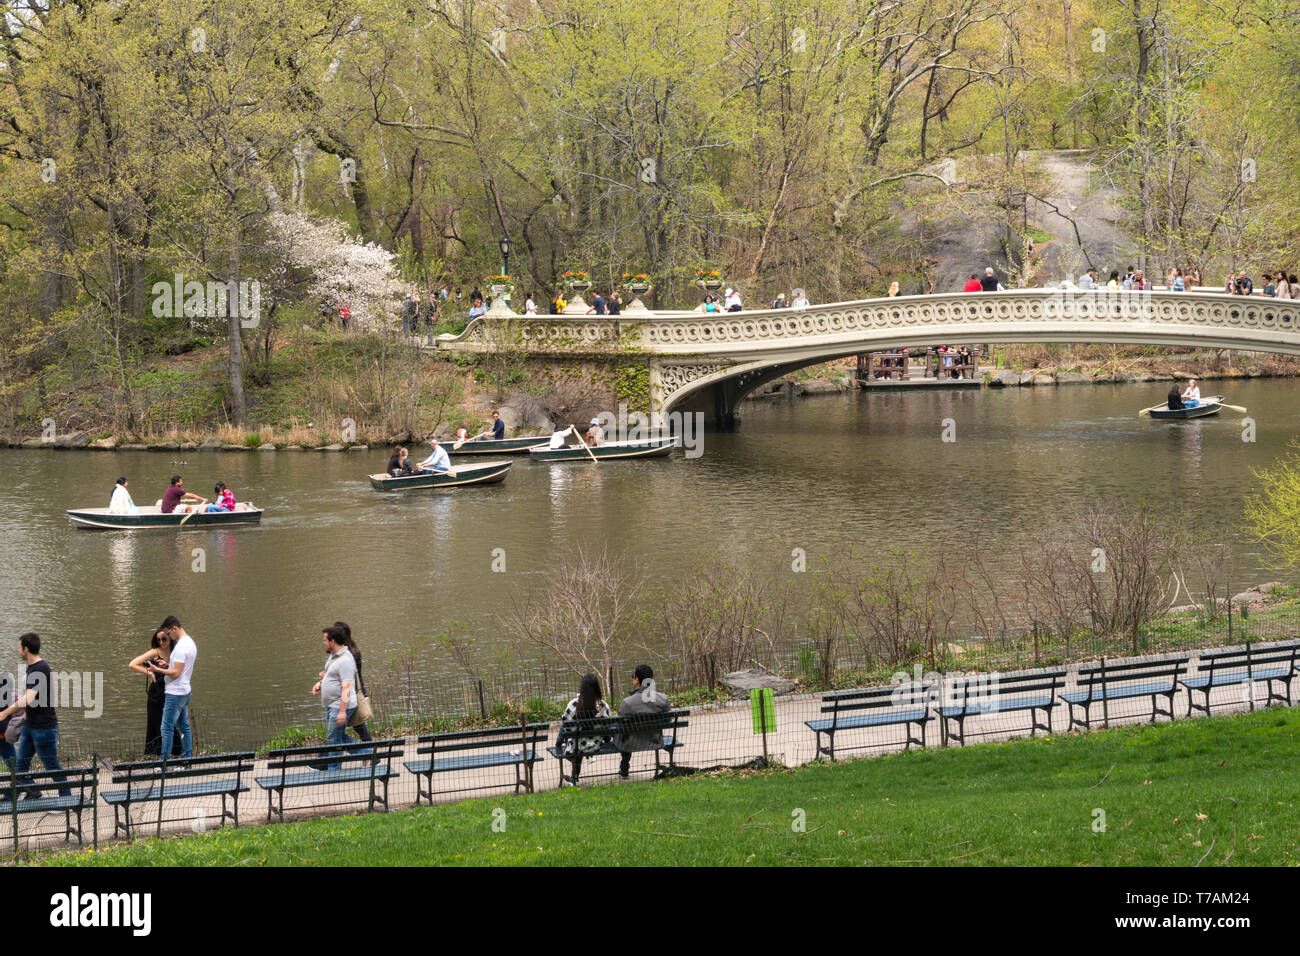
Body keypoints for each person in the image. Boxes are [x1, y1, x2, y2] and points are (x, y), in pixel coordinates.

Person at [0, 633, 68, 797]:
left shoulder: (40, 668)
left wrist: (5, 713)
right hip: (30, 726)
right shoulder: (32, 669)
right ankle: (14, 797)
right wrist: (23, 718)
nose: (18, 650)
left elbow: (29, 698)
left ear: (26, 649)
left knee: (51, 765)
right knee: (21, 767)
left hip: (44, 728)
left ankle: (66, 799)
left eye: (19, 647)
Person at [148, 616, 196, 758]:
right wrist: (167, 665)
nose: (169, 638)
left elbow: (176, 673)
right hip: (185, 690)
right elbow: (180, 668)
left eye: (168, 634)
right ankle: (186, 759)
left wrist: (157, 670)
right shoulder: (190, 643)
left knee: (166, 728)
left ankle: (164, 763)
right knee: (183, 727)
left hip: (175, 693)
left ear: (173, 628)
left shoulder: (181, 647)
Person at [130, 628, 183, 758]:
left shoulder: (176, 652)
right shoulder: (155, 652)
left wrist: (168, 665)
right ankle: (159, 757)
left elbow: (180, 670)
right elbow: (133, 664)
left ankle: (176, 755)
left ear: (170, 638)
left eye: (164, 639)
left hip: (172, 691)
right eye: (158, 640)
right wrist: (150, 672)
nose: (161, 642)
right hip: (156, 694)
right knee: (157, 724)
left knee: (174, 723)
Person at [312, 625, 361, 766]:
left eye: (325, 640)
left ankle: (334, 770)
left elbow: (346, 687)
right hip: (332, 704)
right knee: (337, 737)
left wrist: (341, 711)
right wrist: (320, 684)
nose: (324, 643)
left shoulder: (345, 660)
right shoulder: (334, 656)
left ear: (332, 641)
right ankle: (369, 753)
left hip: (340, 705)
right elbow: (331, 676)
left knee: (333, 739)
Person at [615, 664, 670, 779]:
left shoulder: (627, 702)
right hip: (655, 739)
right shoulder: (663, 698)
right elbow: (667, 720)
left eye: (633, 676)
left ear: (637, 680)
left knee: (621, 731)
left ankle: (624, 765)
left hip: (631, 742)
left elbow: (619, 725)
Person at [557, 673, 611, 783]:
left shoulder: (573, 705)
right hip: (595, 745)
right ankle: (589, 756)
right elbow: (607, 726)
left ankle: (574, 777)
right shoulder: (603, 706)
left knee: (566, 728)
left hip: (576, 747)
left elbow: (566, 728)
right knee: (582, 735)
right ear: (597, 688)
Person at [333, 622, 371, 743]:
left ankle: (369, 752)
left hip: (351, 695)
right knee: (358, 727)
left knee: (336, 732)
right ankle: (370, 753)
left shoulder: (349, 654)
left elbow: (348, 677)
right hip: (351, 694)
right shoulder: (349, 651)